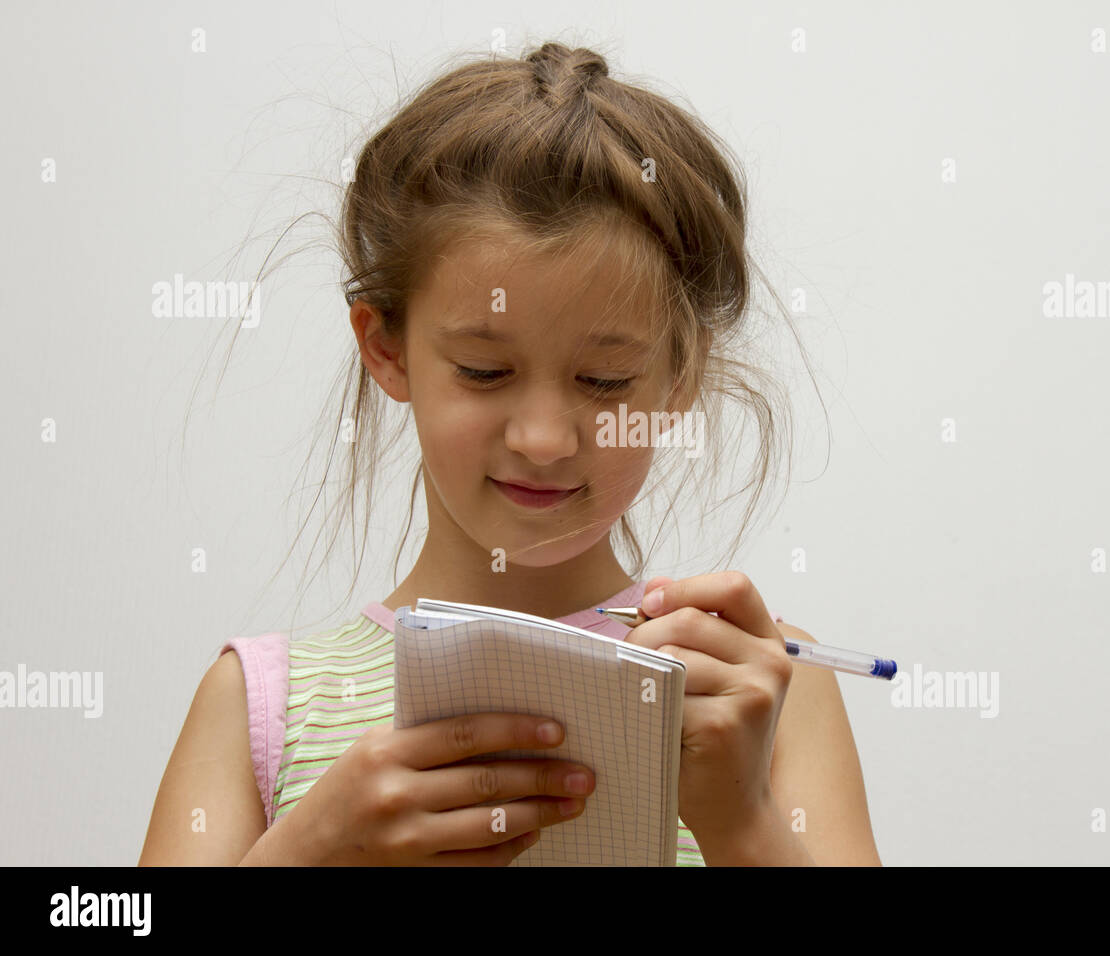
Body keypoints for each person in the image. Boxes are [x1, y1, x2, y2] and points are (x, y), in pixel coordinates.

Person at [138, 40, 881, 867]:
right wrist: (307, 852)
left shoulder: (764, 690)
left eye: (604, 381)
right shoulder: (259, 705)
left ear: (682, 375)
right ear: (386, 350)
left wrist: (738, 820)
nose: (544, 439)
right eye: (485, 371)